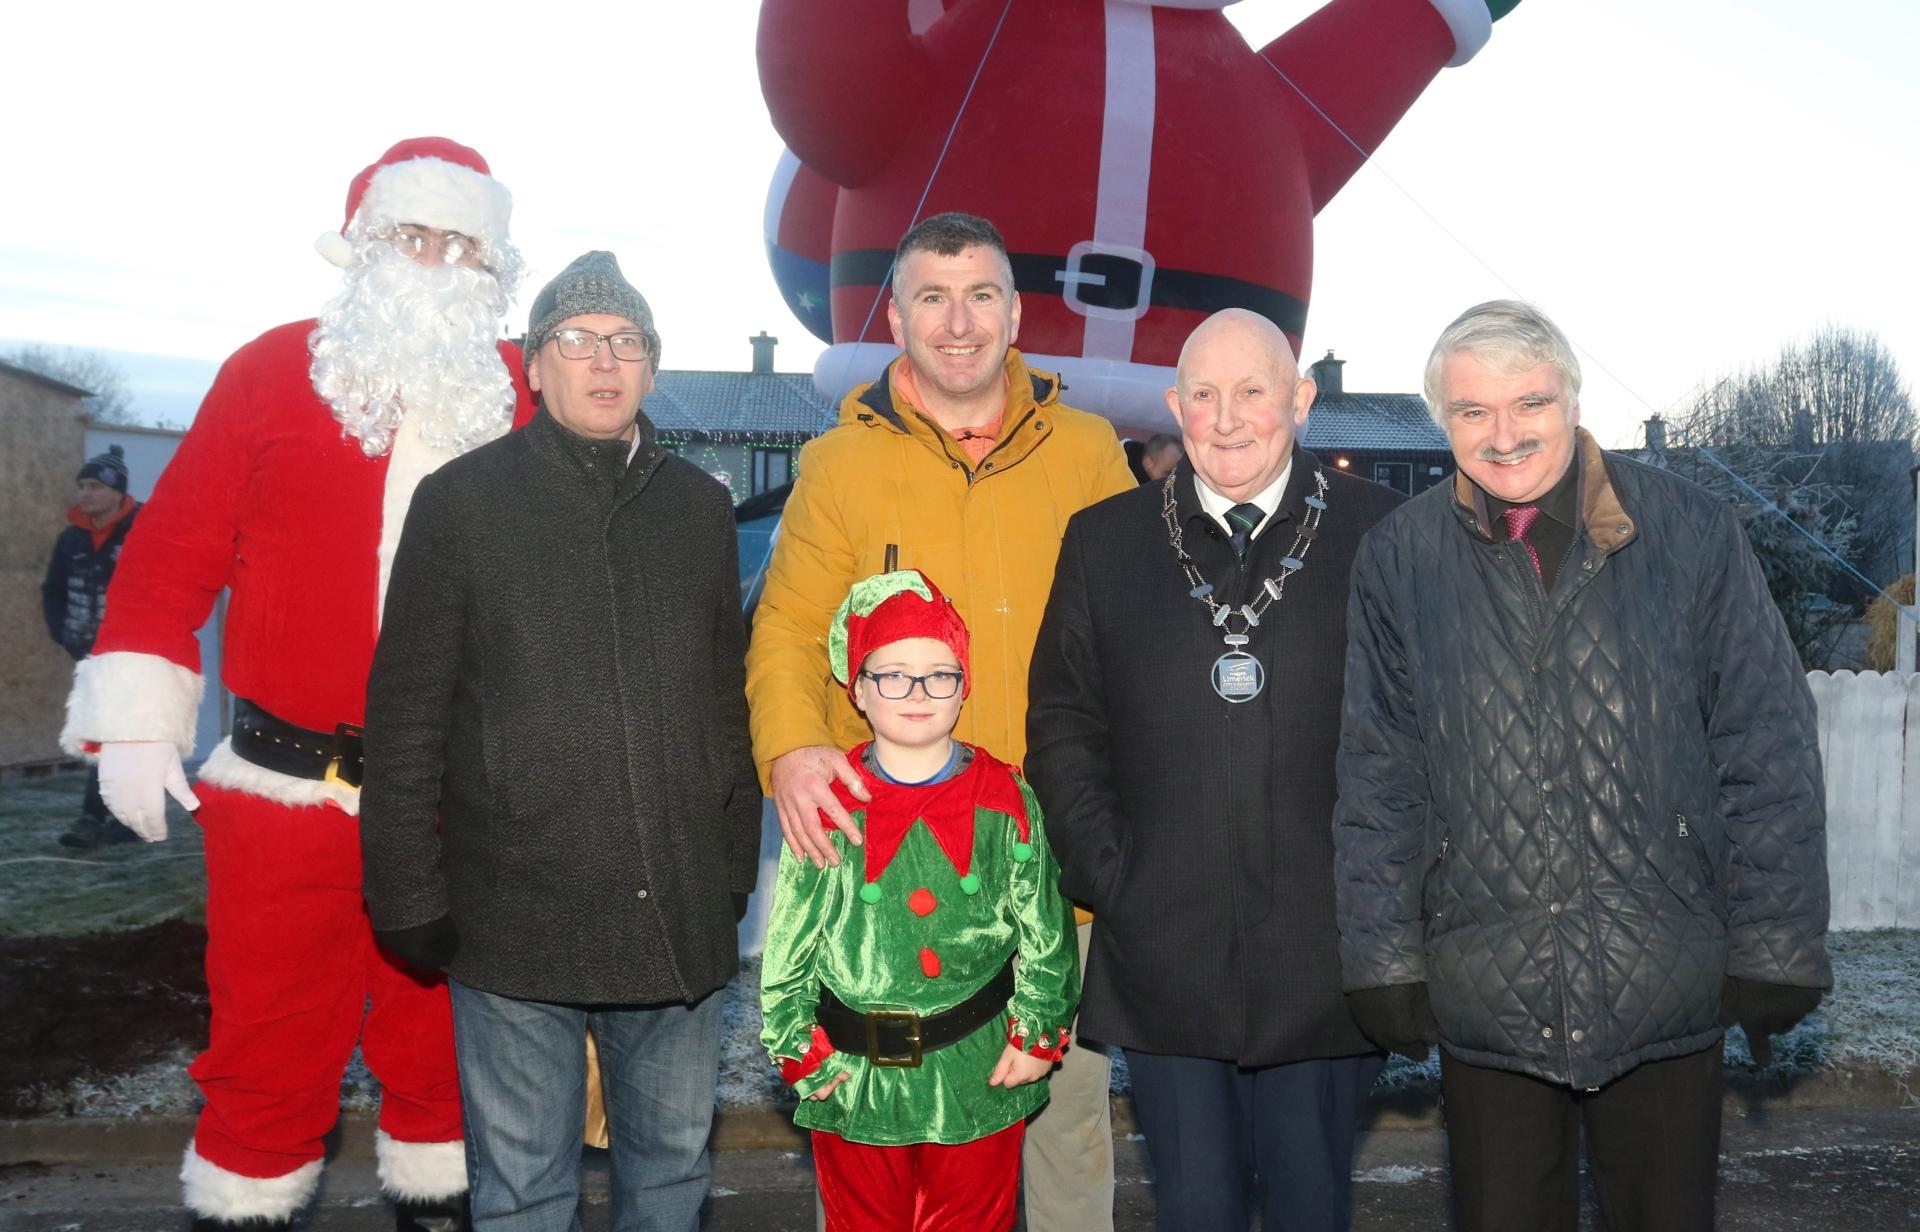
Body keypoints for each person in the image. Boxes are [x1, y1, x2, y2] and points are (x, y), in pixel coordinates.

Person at [59, 137, 534, 1229]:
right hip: (284, 792)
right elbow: (170, 551)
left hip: (458, 803)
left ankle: (445, 1207)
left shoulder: (519, 392)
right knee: (269, 1041)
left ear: (493, 267)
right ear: (362, 245)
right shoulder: (271, 371)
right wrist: (136, 724)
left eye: (462, 244)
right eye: (413, 235)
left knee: (449, 1050)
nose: (434, 259)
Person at [1333, 300, 1832, 1231]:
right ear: (1443, 421)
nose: (1505, 434)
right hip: (1490, 986)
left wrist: (1777, 944)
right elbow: (1378, 768)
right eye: (1473, 412)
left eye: (1530, 403)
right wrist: (1384, 958)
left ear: (1571, 397)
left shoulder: (1687, 530)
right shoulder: (1399, 559)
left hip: (1664, 975)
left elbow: (1764, 740)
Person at [746, 211, 1134, 1229]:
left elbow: (1139, 633)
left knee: (1062, 1119)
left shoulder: (1090, 452)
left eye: (980, 296)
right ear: (898, 316)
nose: (957, 322)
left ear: (1014, 313)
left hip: (1053, 852)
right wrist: (791, 747)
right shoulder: (840, 465)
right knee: (876, 1129)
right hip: (883, 868)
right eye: (931, 297)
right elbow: (786, 625)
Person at [359, 250, 762, 1229]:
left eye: (626, 341)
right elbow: (406, 712)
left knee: (667, 1175)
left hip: (673, 909)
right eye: (576, 341)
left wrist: (731, 865)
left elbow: (724, 702)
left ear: (652, 368)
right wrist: (407, 890)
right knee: (523, 1189)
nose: (603, 361)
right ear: (534, 366)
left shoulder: (699, 508)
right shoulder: (461, 503)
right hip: (512, 916)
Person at [1027, 307, 1405, 1231]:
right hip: (1167, 948)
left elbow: (1424, 727)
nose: (1227, 418)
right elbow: (1063, 723)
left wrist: (1388, 891)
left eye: (1252, 392)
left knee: (1312, 1204)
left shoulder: (1388, 536)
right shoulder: (1104, 541)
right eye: (1204, 395)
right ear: (1174, 406)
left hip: (1328, 951)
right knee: (1194, 1207)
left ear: (1301, 399)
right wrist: (1111, 877)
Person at [761, 569, 1079, 1231]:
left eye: (939, 675)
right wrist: (796, 1044)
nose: (917, 693)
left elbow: (1047, 933)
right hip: (855, 1075)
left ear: (964, 688)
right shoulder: (829, 804)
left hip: (977, 1067)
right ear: (859, 690)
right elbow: (791, 941)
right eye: (893, 675)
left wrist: (1038, 1031)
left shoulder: (1005, 799)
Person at [42, 445, 141, 848]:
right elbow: (53, 591)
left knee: (114, 734)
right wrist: (63, 633)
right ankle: (124, 821)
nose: (84, 493)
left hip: (132, 655)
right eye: (82, 485)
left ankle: (95, 818)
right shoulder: (71, 539)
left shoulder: (142, 531)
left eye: (94, 485)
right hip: (88, 656)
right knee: (112, 734)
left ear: (117, 492)